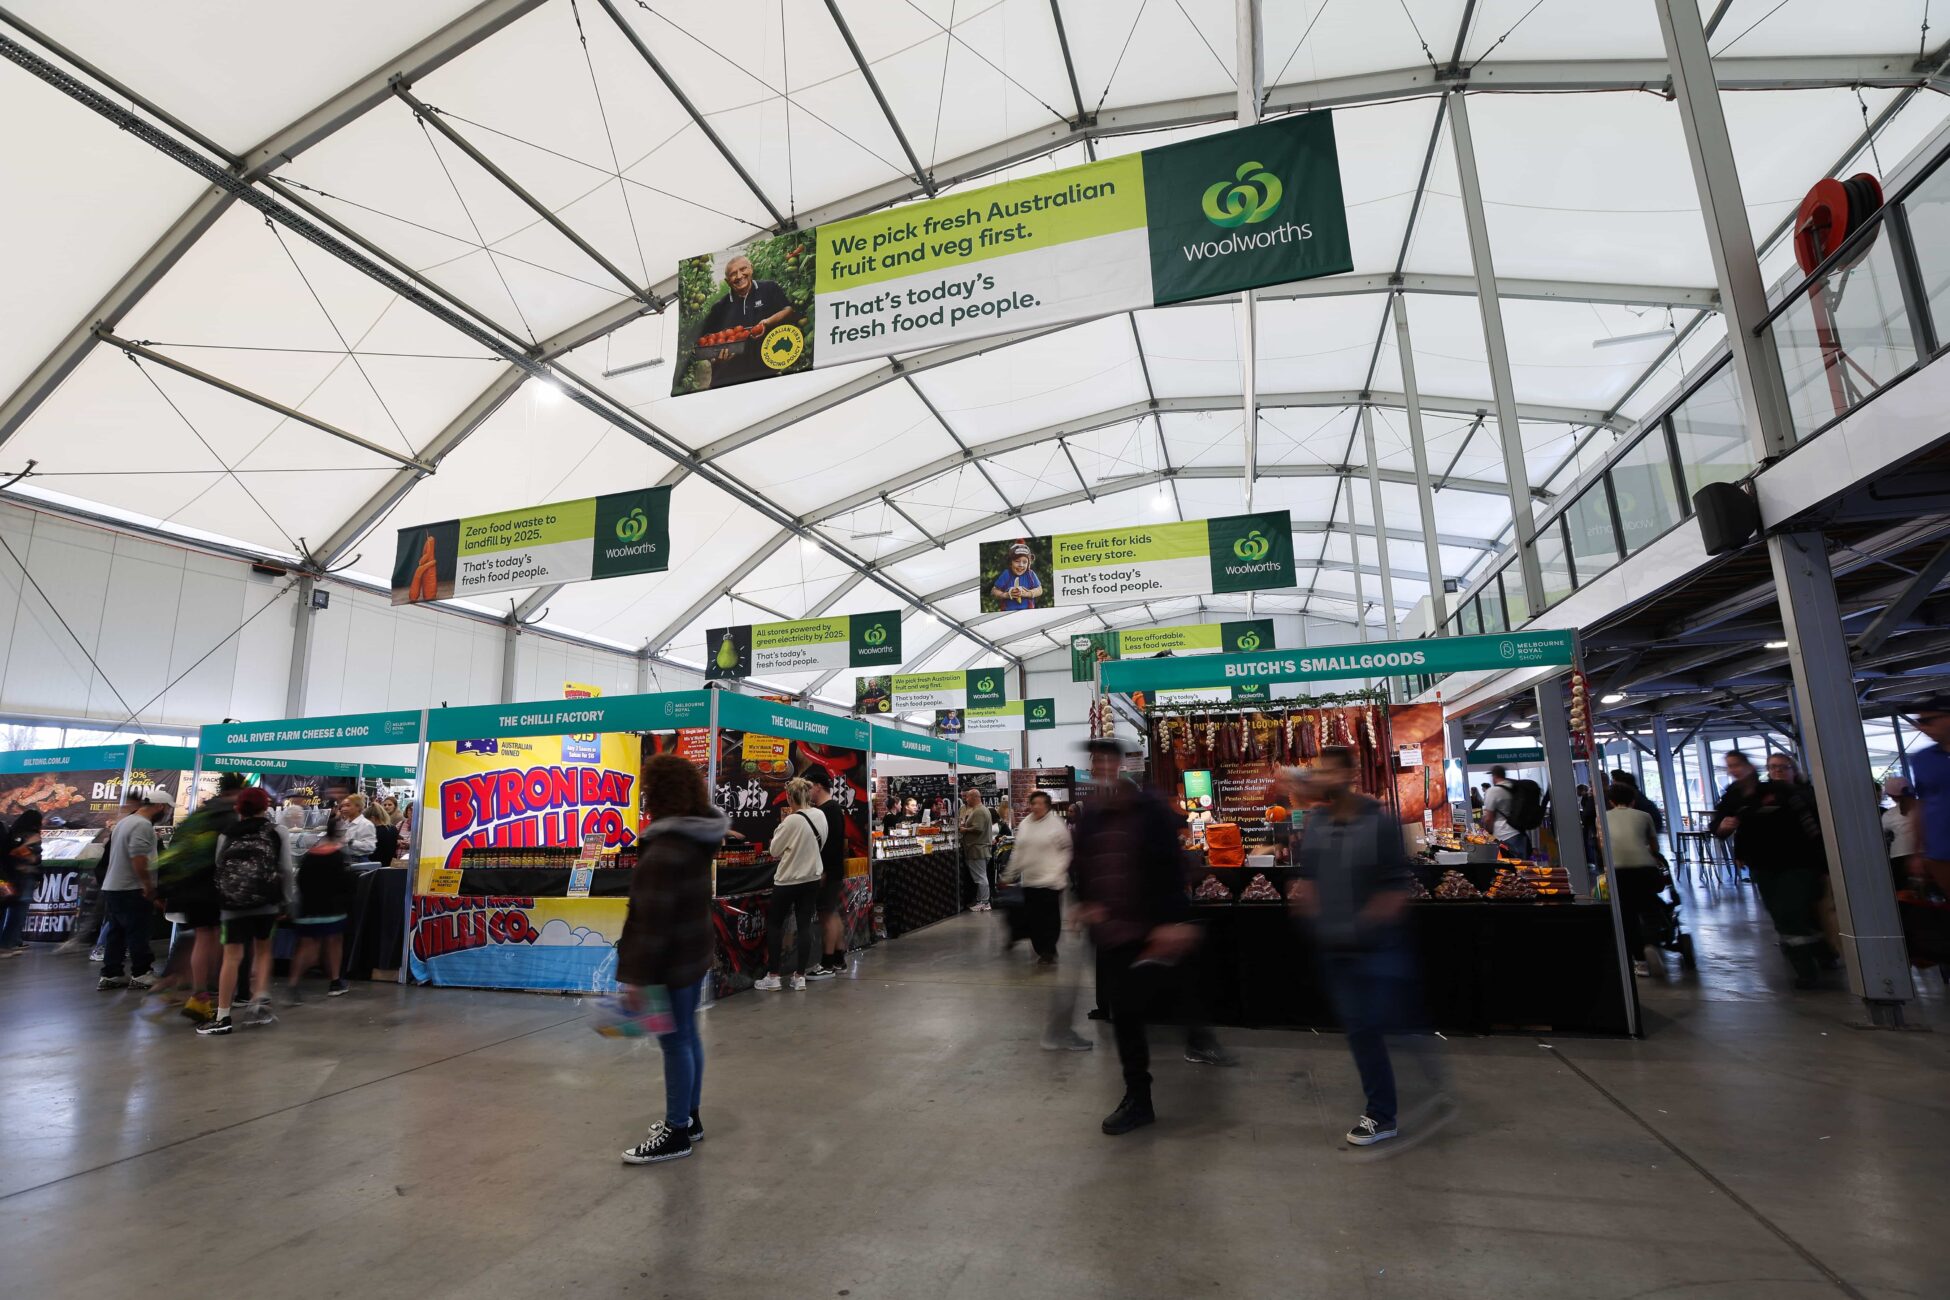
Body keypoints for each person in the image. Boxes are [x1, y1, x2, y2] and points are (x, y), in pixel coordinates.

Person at [1288, 746, 1449, 1148]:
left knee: (1390, 1025)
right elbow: (1309, 876)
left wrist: (1367, 924)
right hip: (1335, 948)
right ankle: (1387, 1112)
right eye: (1318, 771)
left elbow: (1395, 888)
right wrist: (1306, 896)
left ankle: (1416, 1096)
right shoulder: (1318, 823)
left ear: (1348, 774)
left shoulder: (1379, 823)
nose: (1321, 778)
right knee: (1362, 1029)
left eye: (1328, 771)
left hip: (1379, 947)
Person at [1069, 738, 1205, 1136]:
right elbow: (1082, 863)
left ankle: (1199, 1035)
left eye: (1110, 759)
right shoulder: (1090, 814)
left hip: (1149, 927)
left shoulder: (1149, 808)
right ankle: (1138, 1098)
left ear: (1123, 764)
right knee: (1125, 1017)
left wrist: (1172, 919)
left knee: (1170, 992)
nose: (1103, 767)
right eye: (1097, 761)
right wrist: (1084, 901)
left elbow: (1172, 864)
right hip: (1112, 933)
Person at [616, 756, 727, 1165]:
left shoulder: (665, 848)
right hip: (692, 953)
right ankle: (690, 1119)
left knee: (674, 1042)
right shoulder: (697, 838)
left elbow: (649, 921)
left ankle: (676, 1131)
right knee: (687, 1037)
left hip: (669, 960)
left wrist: (635, 979)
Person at [1712, 750, 1828, 988]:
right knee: (1781, 913)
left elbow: (1811, 827)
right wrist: (1723, 829)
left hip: (1797, 862)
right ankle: (1820, 952)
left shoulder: (1783, 793)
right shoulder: (1733, 796)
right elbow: (1719, 825)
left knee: (1791, 913)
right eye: (1729, 766)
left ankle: (1807, 970)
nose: (1733, 770)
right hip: (1762, 865)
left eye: (1737, 765)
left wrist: (1822, 862)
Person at [197, 786, 294, 1034]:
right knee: (263, 951)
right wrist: (286, 900)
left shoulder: (227, 834)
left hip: (233, 904)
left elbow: (219, 866)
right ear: (266, 806)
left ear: (239, 807)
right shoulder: (277, 832)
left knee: (232, 957)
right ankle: (259, 1000)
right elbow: (285, 868)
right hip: (267, 902)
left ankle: (223, 1016)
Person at [151, 772, 243, 1022]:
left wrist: (164, 888)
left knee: (202, 937)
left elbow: (174, 852)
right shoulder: (231, 816)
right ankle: (215, 993)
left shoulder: (198, 814)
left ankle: (198, 993)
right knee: (224, 940)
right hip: (213, 887)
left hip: (186, 887)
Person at [754, 778, 824, 992]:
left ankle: (774, 976)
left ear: (789, 797)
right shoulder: (820, 815)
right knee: (805, 926)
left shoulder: (791, 821)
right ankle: (800, 976)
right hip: (812, 878)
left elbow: (774, 850)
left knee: (775, 925)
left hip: (787, 880)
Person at [97, 787, 169, 991]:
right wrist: (147, 885)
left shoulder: (125, 822)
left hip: (114, 885)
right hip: (132, 887)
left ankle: (112, 973)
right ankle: (141, 972)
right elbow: (138, 857)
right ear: (160, 806)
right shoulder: (142, 825)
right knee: (138, 931)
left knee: (116, 931)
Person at [697, 254, 794, 386]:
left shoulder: (769, 288)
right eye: (733, 274)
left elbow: (788, 310)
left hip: (766, 372)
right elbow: (706, 342)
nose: (739, 276)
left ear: (751, 269)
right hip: (730, 380)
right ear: (727, 281)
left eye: (743, 269)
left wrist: (767, 321)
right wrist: (716, 359)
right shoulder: (719, 308)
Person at [286, 813, 353, 1001]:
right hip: (332, 909)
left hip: (308, 908)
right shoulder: (339, 856)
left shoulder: (310, 854)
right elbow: (344, 883)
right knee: (334, 942)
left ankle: (293, 983)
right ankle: (335, 981)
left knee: (307, 947)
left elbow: (300, 880)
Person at [1604, 783, 1664, 978]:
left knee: (1627, 915)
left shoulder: (1602, 818)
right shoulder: (1644, 816)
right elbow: (1654, 846)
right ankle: (1651, 942)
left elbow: (1601, 845)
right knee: (1650, 908)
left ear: (1611, 801)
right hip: (1645, 868)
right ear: (1633, 800)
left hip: (1618, 870)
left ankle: (1640, 961)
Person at [1008, 790, 1070, 966]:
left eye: (1040, 803)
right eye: (1033, 803)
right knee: (1033, 919)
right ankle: (1040, 948)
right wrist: (1010, 873)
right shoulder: (1026, 824)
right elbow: (1018, 850)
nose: (1035, 806)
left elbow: (1066, 850)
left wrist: (1058, 871)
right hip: (1030, 880)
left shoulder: (1056, 824)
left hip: (1051, 881)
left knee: (1049, 919)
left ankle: (1049, 950)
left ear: (1047, 806)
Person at [804, 767, 850, 980]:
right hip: (833, 870)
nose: (806, 793)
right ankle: (839, 959)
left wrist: (822, 871)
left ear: (818, 786)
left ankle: (827, 962)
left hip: (828, 871)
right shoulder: (832, 809)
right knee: (833, 914)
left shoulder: (827, 810)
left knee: (827, 915)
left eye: (808, 787)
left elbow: (830, 845)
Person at [1905, 696, 1950, 899]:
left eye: (1927, 721)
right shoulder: (1922, 759)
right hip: (1940, 854)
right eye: (1919, 722)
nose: (1921, 728)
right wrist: (1917, 852)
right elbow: (1920, 806)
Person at [0, 808, 43, 955]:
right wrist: (29, 855)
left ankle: (9, 943)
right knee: (18, 912)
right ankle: (7, 944)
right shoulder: (28, 835)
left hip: (10, 877)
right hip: (21, 878)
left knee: (6, 909)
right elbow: (17, 854)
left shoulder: (11, 831)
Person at [1479, 766, 1529, 861]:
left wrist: (1488, 832)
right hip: (1520, 833)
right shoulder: (1515, 788)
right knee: (1523, 867)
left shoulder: (1493, 791)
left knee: (1507, 870)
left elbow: (1489, 818)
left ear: (1494, 776)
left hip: (1504, 835)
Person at [958, 787, 994, 913]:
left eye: (967, 796)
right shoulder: (981, 809)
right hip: (978, 848)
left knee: (980, 877)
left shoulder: (979, 811)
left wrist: (964, 830)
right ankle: (980, 901)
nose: (965, 799)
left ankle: (984, 902)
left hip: (978, 848)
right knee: (979, 876)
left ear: (974, 797)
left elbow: (978, 828)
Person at [1883, 774, 1922, 891]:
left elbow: (1883, 832)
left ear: (1891, 796)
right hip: (1928, 854)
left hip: (1899, 857)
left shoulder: (1888, 815)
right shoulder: (1926, 806)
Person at [990, 542, 1044, 611]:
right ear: (1010, 562)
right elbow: (994, 591)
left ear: (1029, 564)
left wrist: (1026, 593)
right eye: (1017, 561)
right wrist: (1006, 595)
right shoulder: (1007, 574)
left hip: (1028, 611)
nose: (1021, 565)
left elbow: (1040, 590)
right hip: (1008, 611)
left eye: (1025, 562)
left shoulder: (1030, 574)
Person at [339, 793, 378, 862]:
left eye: (348, 805)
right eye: (342, 806)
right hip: (344, 859)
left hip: (358, 860)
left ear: (358, 807)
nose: (343, 809)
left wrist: (350, 841)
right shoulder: (345, 823)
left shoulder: (366, 824)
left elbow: (370, 847)